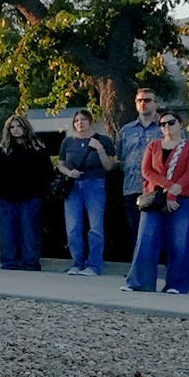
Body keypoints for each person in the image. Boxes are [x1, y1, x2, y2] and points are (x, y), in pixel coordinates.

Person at [126, 113, 189, 293]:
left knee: (180, 240)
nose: (166, 126)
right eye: (162, 124)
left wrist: (175, 191)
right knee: (146, 238)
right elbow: (147, 171)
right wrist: (169, 188)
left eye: (171, 122)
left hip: (184, 197)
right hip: (155, 198)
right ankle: (139, 282)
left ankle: (177, 284)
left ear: (180, 124)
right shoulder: (153, 146)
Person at [0, 111, 54, 270]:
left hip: (31, 198)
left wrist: (40, 191)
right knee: (7, 234)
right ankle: (9, 263)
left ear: (25, 128)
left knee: (30, 233)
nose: (16, 129)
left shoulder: (38, 149)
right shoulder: (2, 151)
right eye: (12, 127)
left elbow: (47, 173)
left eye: (19, 126)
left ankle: (30, 263)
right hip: (5, 198)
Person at [57, 110, 116, 275]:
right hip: (74, 186)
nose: (80, 123)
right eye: (76, 121)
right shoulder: (68, 142)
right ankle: (77, 262)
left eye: (83, 120)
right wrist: (69, 173)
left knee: (95, 227)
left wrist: (100, 150)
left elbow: (109, 166)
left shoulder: (103, 140)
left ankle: (94, 265)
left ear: (90, 121)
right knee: (73, 227)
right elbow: (61, 163)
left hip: (95, 184)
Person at [112, 87, 165, 264]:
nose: (143, 103)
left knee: (160, 230)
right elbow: (118, 158)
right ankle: (140, 268)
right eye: (140, 100)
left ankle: (162, 267)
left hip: (159, 189)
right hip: (132, 188)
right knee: (136, 231)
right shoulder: (126, 131)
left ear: (156, 103)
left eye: (148, 100)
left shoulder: (165, 128)